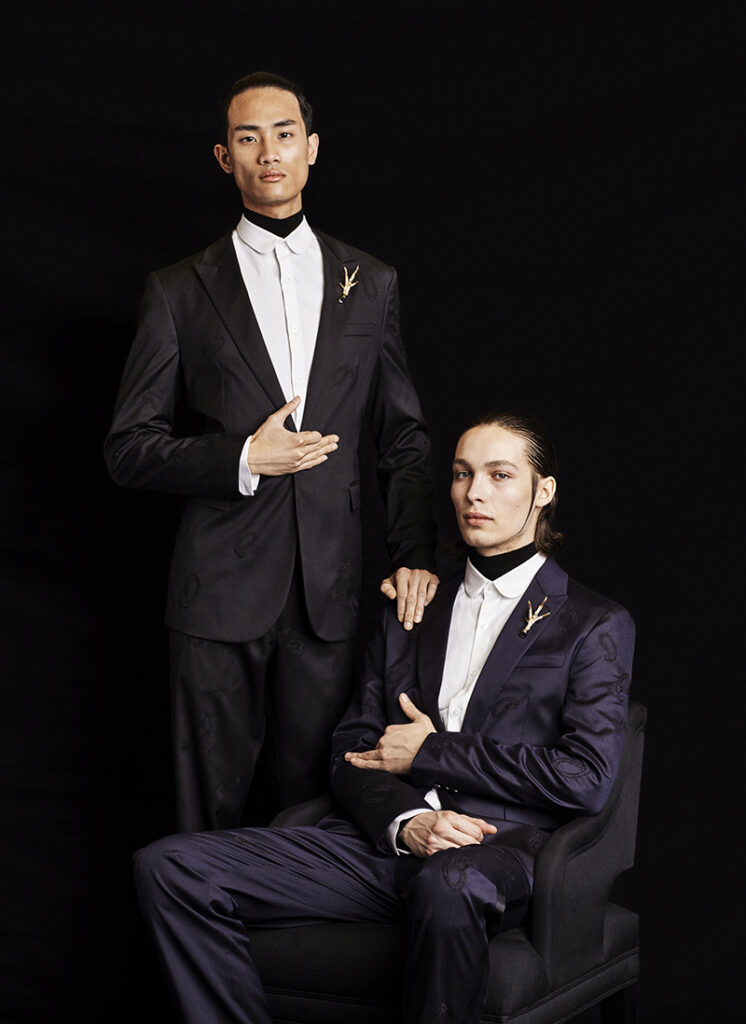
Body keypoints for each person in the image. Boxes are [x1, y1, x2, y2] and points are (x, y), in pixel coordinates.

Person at [134, 411, 636, 1024]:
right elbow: (351, 745)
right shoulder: (415, 603)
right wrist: (406, 822)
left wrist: (430, 753)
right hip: (380, 843)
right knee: (170, 868)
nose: (474, 493)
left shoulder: (592, 623)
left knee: (447, 886)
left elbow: (586, 778)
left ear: (543, 491)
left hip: (496, 851)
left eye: (500, 475)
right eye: (461, 474)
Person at [103, 72, 439, 831]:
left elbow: (403, 436)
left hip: (331, 593)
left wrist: (413, 551)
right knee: (206, 818)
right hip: (216, 591)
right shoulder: (177, 289)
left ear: (311, 148)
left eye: (284, 135)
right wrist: (243, 459)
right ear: (225, 158)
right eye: (248, 138)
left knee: (319, 810)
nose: (268, 153)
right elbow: (128, 447)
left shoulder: (372, 282)